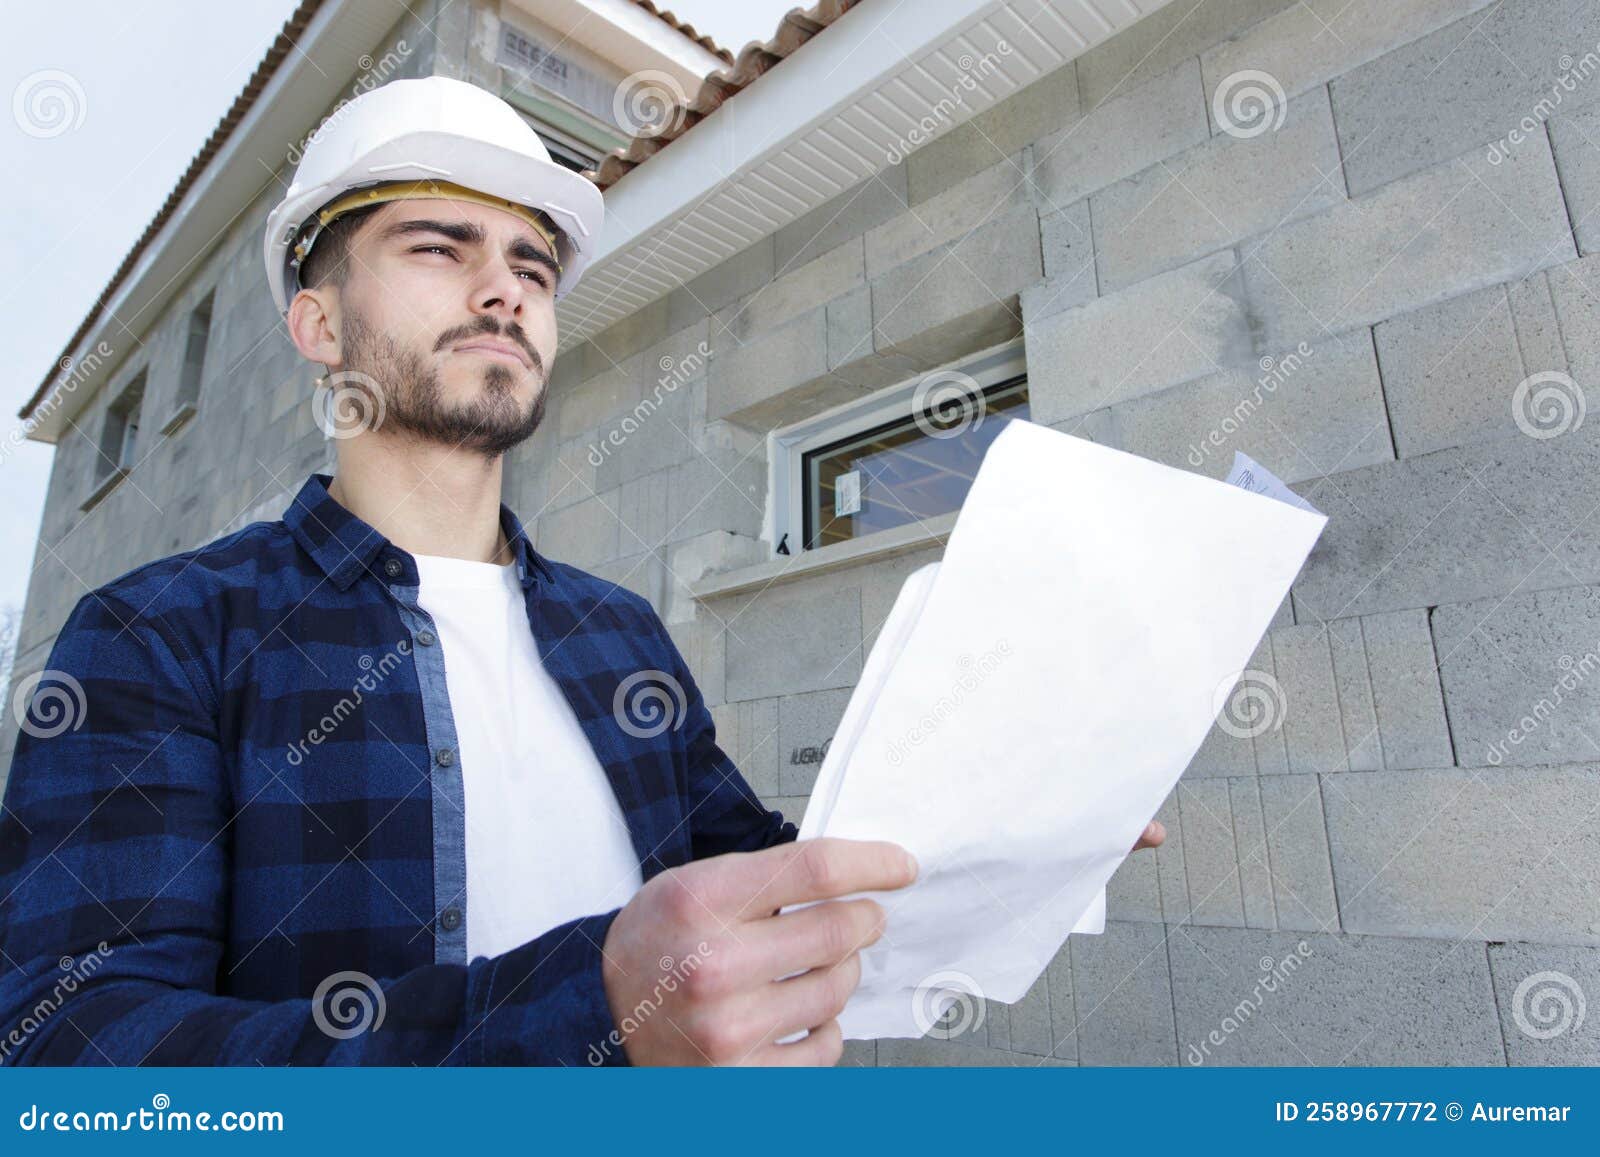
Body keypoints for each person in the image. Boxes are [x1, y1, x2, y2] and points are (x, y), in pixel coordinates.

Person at [0, 76, 1160, 1067]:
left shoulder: (618, 635)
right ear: (318, 325)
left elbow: (756, 889)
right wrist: (594, 1007)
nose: (504, 288)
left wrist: (1004, 823)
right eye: (437, 247)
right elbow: (74, 1056)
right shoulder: (161, 634)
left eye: (532, 266)